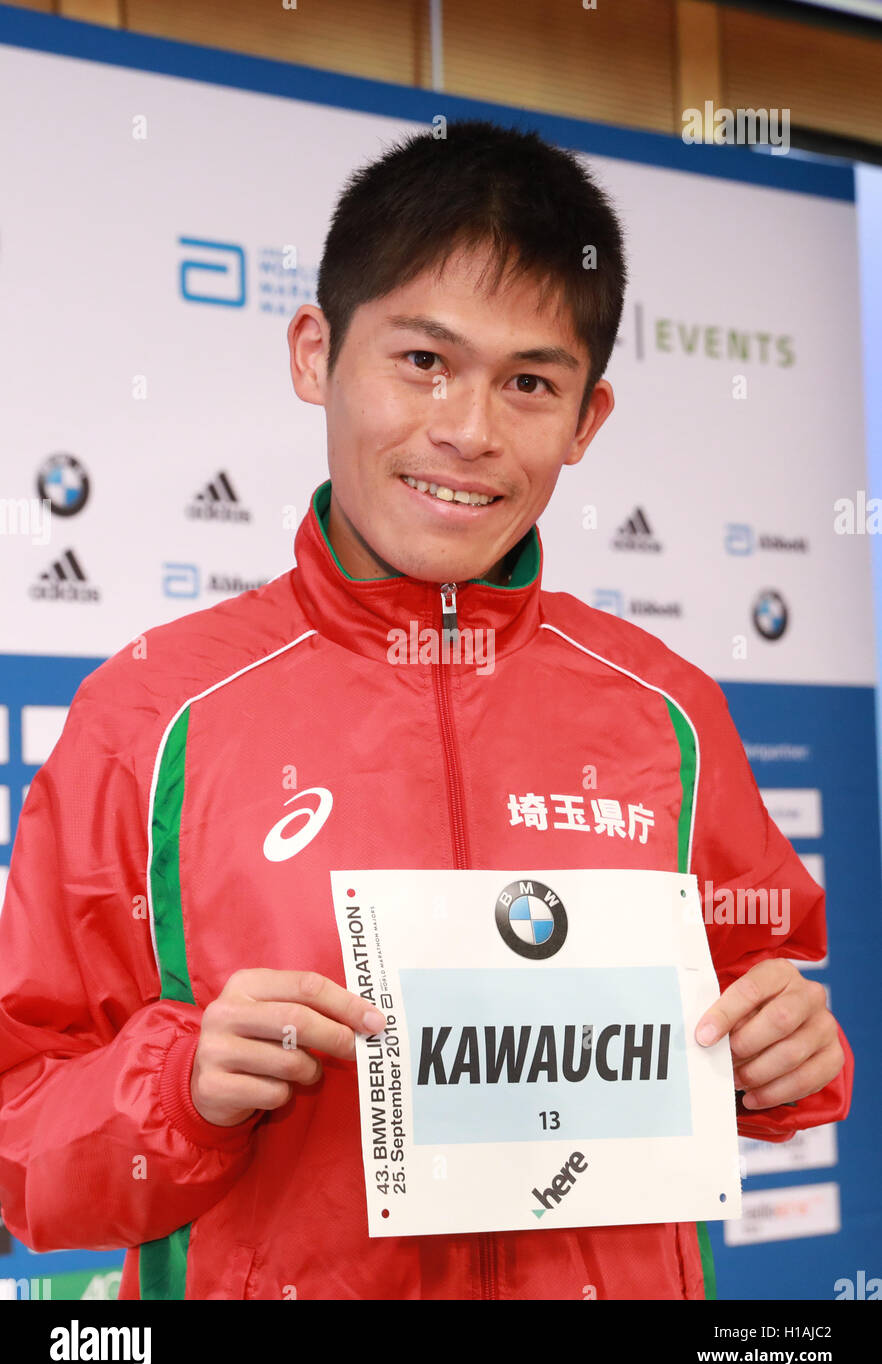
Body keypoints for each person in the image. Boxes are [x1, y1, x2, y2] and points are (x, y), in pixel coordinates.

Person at [0, 119, 852, 1300]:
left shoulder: (671, 712)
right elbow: (21, 1130)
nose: (468, 431)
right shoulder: (151, 711)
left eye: (530, 383)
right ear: (316, 353)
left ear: (587, 420)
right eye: (422, 361)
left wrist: (790, 1055)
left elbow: (763, 1010)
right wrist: (180, 1083)